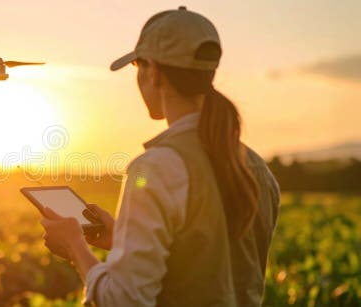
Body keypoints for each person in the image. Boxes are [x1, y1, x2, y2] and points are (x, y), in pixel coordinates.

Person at [39, 6, 281, 307]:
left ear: (153, 71)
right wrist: (121, 239)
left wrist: (75, 246)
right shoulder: (257, 169)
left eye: (137, 65)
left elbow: (124, 301)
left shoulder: (155, 168)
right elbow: (213, 267)